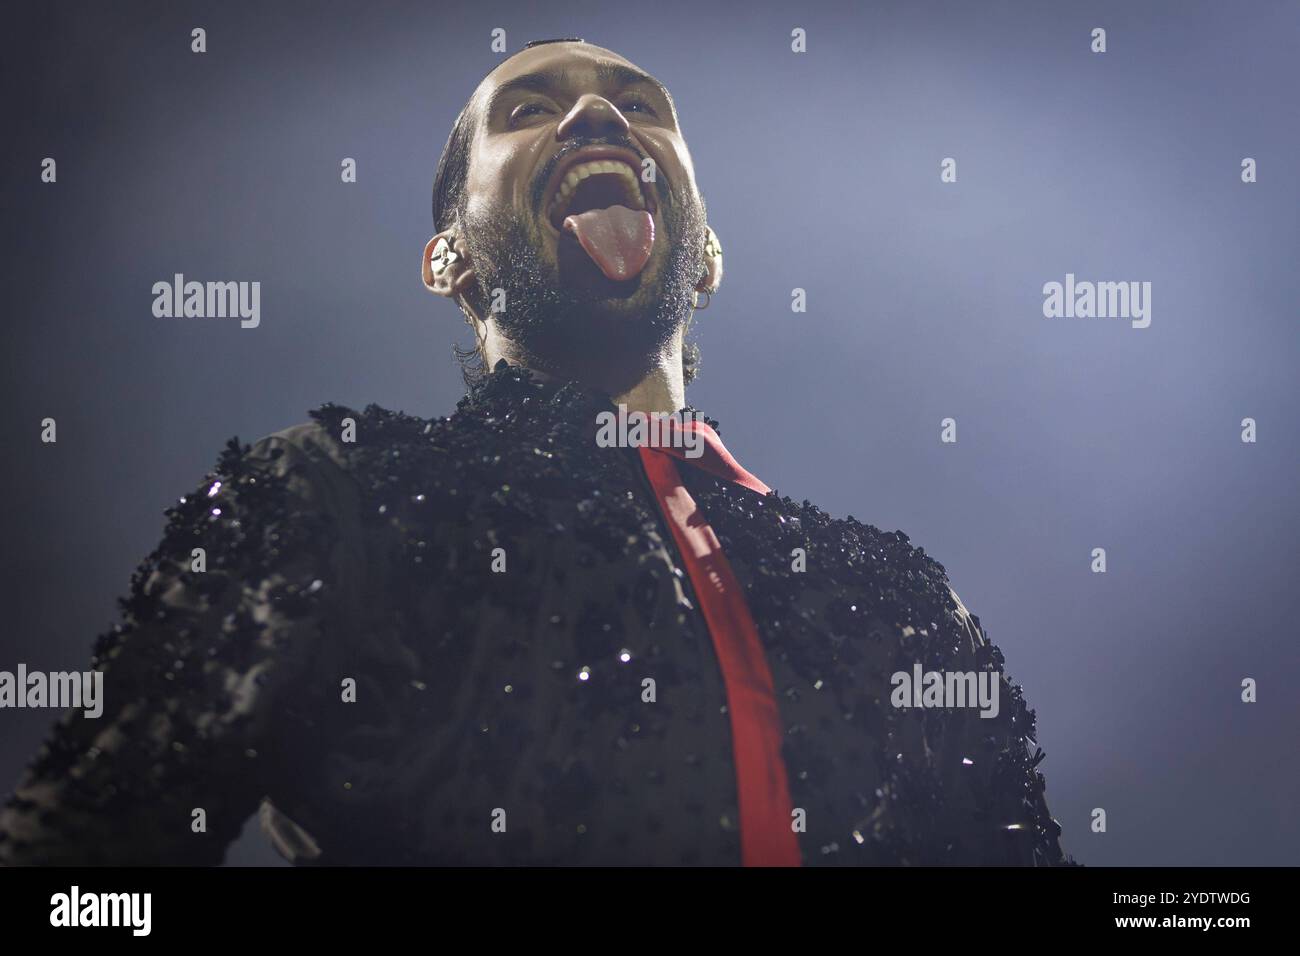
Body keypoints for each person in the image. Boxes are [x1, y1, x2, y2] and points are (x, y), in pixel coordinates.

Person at [0, 39, 1068, 866]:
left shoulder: (894, 592)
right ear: (446, 258)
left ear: (706, 258)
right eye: (528, 108)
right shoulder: (337, 493)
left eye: (638, 104)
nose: (596, 112)